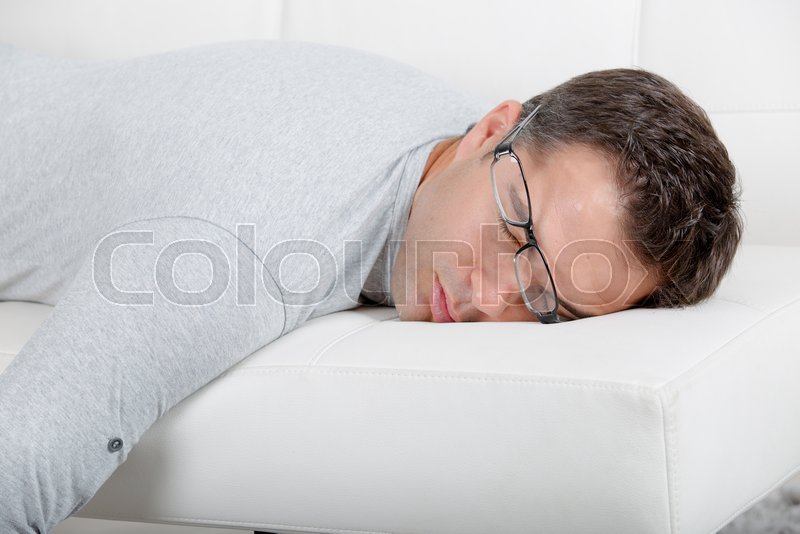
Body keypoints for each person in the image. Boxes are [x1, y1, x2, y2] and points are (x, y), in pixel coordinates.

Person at [0, 39, 741, 531]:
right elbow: (18, 461)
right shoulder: (252, 241)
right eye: (517, 228)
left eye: (547, 297)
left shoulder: (446, 146)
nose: (491, 296)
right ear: (494, 128)